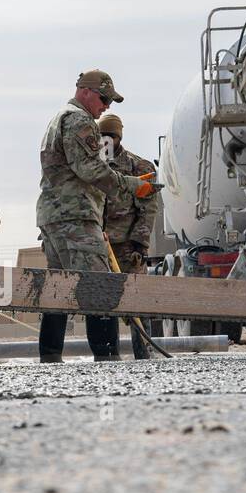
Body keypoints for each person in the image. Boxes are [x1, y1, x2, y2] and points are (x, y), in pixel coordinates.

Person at [36, 70, 156, 363]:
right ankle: (107, 359)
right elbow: (91, 170)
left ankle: (50, 358)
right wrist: (134, 185)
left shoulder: (59, 118)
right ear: (86, 92)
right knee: (100, 285)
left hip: (57, 217)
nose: (106, 107)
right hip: (74, 217)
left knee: (59, 287)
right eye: (104, 99)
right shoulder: (79, 120)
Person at [98, 113, 158, 359]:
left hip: (126, 247)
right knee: (104, 301)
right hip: (98, 246)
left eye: (110, 136)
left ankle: (144, 353)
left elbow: (148, 209)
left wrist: (139, 245)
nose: (106, 142)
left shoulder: (139, 167)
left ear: (119, 137)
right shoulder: (92, 167)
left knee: (137, 300)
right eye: (102, 137)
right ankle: (108, 354)